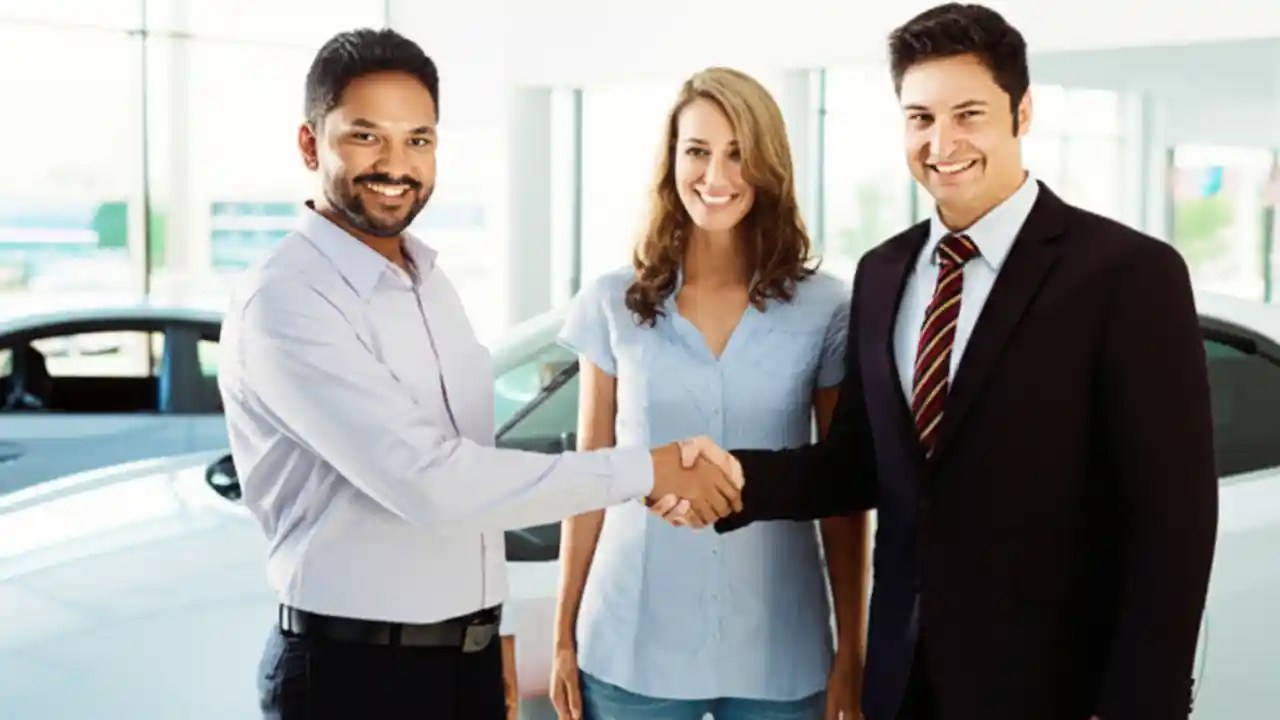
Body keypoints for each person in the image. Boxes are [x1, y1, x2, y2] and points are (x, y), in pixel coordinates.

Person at [671, 4, 1218, 719]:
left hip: (1057, 688)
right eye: (920, 118)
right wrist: (738, 477)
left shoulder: (1126, 275)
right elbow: (860, 464)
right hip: (906, 682)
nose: (942, 142)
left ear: (1022, 113)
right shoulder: (883, 272)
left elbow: (1172, 525)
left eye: (968, 114)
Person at [216, 28, 743, 720]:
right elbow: (434, 483)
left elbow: (478, 469)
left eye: (419, 139)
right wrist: (653, 469)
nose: (396, 164)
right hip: (354, 678)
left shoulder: (426, 280)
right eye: (366, 137)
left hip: (458, 663)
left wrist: (489, 628)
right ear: (311, 145)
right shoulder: (287, 300)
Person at [547, 67, 871, 720]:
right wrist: (561, 636)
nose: (715, 177)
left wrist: (851, 654)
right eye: (697, 151)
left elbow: (842, 493)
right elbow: (589, 474)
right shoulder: (613, 302)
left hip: (782, 652)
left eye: (737, 154)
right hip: (631, 646)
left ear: (768, 166)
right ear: (672, 161)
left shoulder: (826, 307)